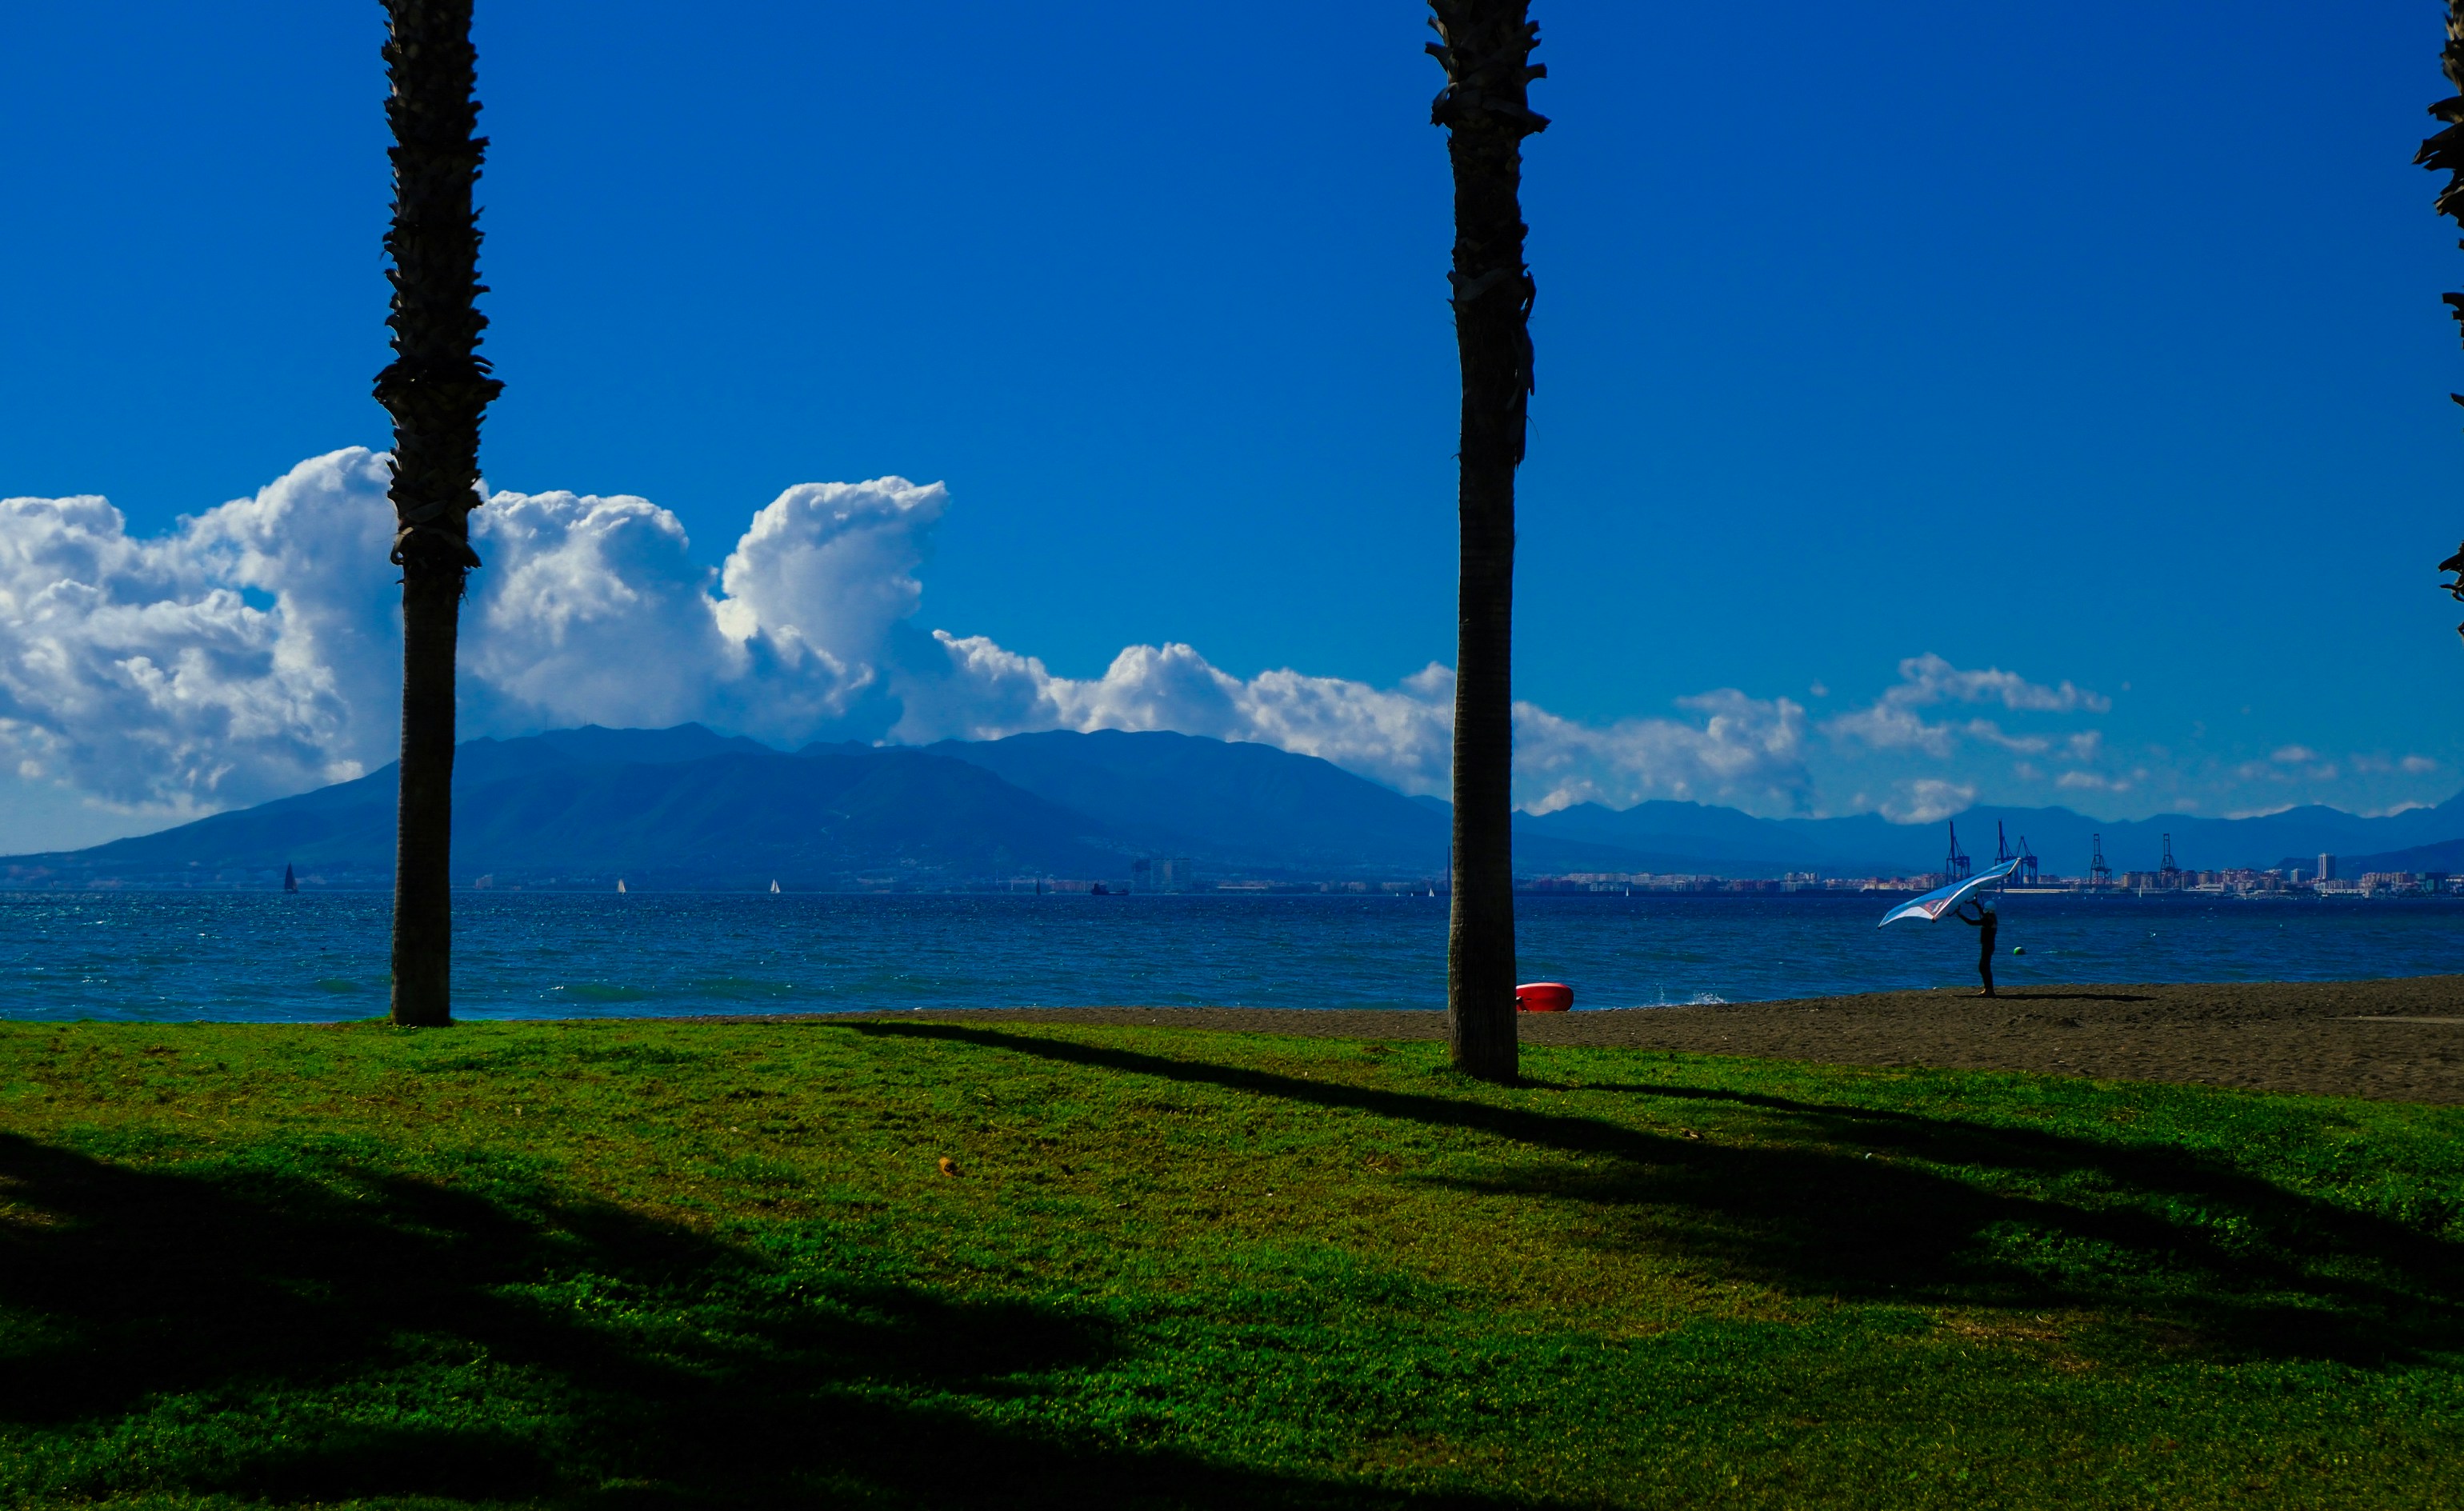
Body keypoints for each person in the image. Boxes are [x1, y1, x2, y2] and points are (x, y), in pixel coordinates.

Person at [1954, 898, 1998, 997]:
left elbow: (1971, 922)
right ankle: (1988, 989)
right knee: (1984, 967)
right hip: (1989, 945)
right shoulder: (1992, 917)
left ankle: (1990, 990)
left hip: (1987, 946)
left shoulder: (1988, 920)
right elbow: (1983, 914)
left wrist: (1960, 914)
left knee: (1983, 967)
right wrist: (1977, 905)